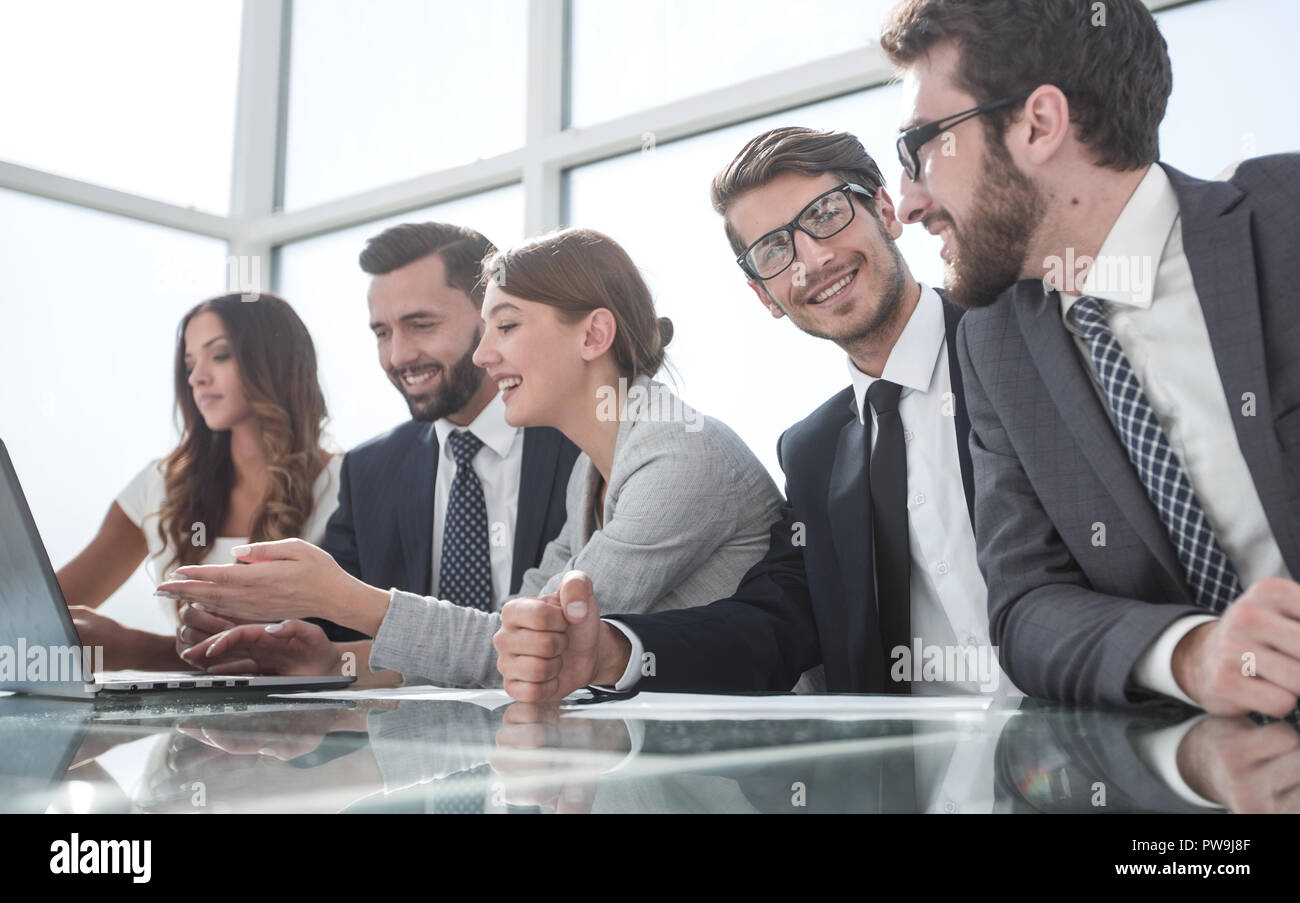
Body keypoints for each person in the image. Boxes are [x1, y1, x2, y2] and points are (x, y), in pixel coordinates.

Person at [493, 127, 1017, 703]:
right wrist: (617, 651)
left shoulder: (1019, 345)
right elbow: (776, 625)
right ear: (763, 294)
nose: (812, 260)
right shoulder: (814, 451)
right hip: (919, 781)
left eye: (826, 214)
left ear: (886, 209)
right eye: (774, 249)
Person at [881, 0, 1300, 717]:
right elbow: (1026, 606)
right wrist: (1189, 652)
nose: (908, 202)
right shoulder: (994, 341)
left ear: (1039, 125)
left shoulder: (1286, 220)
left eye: (921, 147)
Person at [168, 228, 784, 690]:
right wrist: (335, 660)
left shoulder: (676, 460)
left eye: (507, 327)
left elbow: (540, 650)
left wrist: (340, 598)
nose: (485, 356)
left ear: (594, 336)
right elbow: (511, 629)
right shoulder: (592, 470)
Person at [174, 222, 580, 666]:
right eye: (382, 333)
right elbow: (328, 625)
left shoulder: (577, 444)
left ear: (494, 317)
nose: (398, 356)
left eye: (421, 324)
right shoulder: (370, 469)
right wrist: (250, 631)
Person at [57, 293, 341, 670]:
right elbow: (43, 614)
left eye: (220, 355)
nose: (197, 377)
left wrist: (135, 649)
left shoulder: (346, 485)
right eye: (190, 363)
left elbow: (354, 655)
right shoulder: (159, 486)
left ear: (276, 362)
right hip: (189, 727)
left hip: (316, 726)